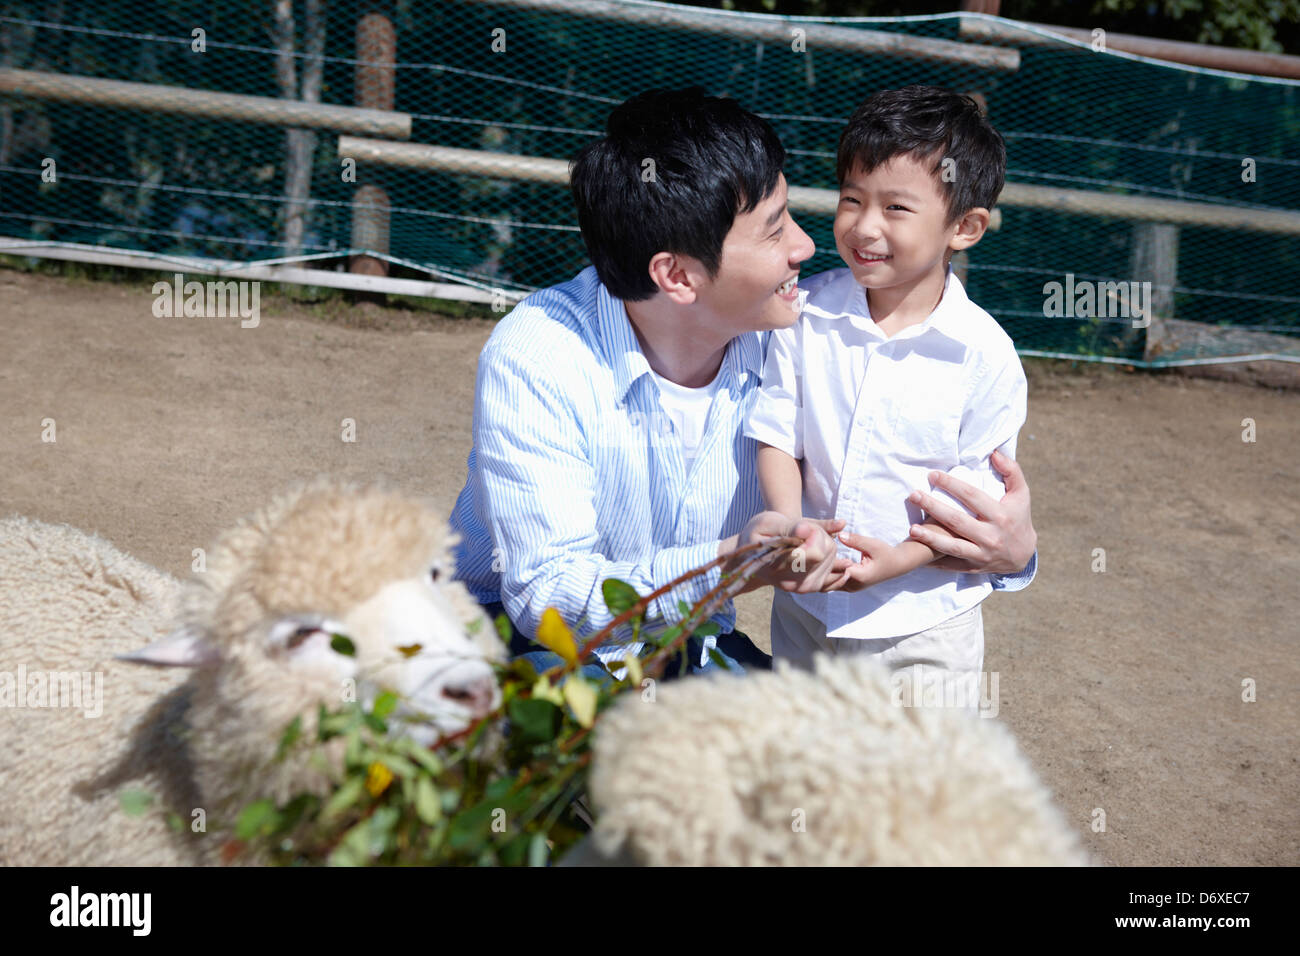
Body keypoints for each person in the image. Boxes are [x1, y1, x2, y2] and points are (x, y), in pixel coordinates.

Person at [448, 87, 1036, 680]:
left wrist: (1011, 554)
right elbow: (548, 600)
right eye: (774, 230)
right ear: (677, 275)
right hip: (523, 642)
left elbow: (902, 474)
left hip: (690, 635)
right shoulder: (540, 356)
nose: (808, 247)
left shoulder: (804, 337)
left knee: (803, 753)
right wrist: (733, 566)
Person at [746, 85, 1028, 706]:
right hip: (807, 609)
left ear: (966, 227)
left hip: (923, 625)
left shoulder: (985, 357)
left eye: (896, 208)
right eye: (852, 199)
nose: (864, 226)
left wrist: (896, 561)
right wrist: (794, 526)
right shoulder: (806, 313)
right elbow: (775, 434)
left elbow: (975, 503)